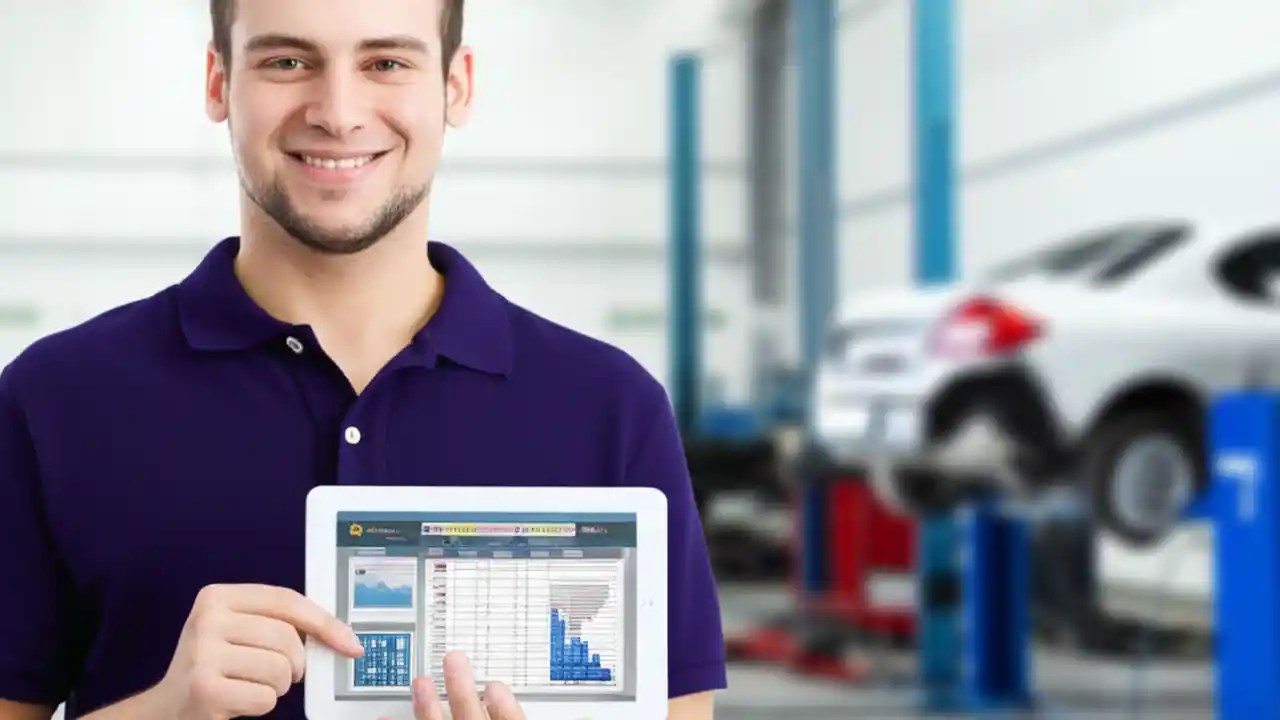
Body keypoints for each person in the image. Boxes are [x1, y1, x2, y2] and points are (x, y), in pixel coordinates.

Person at [0, 0, 727, 718]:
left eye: (386, 62)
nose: (339, 112)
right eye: (287, 61)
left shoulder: (610, 407)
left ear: (456, 86)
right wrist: (161, 713)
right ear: (219, 83)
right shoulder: (54, 400)